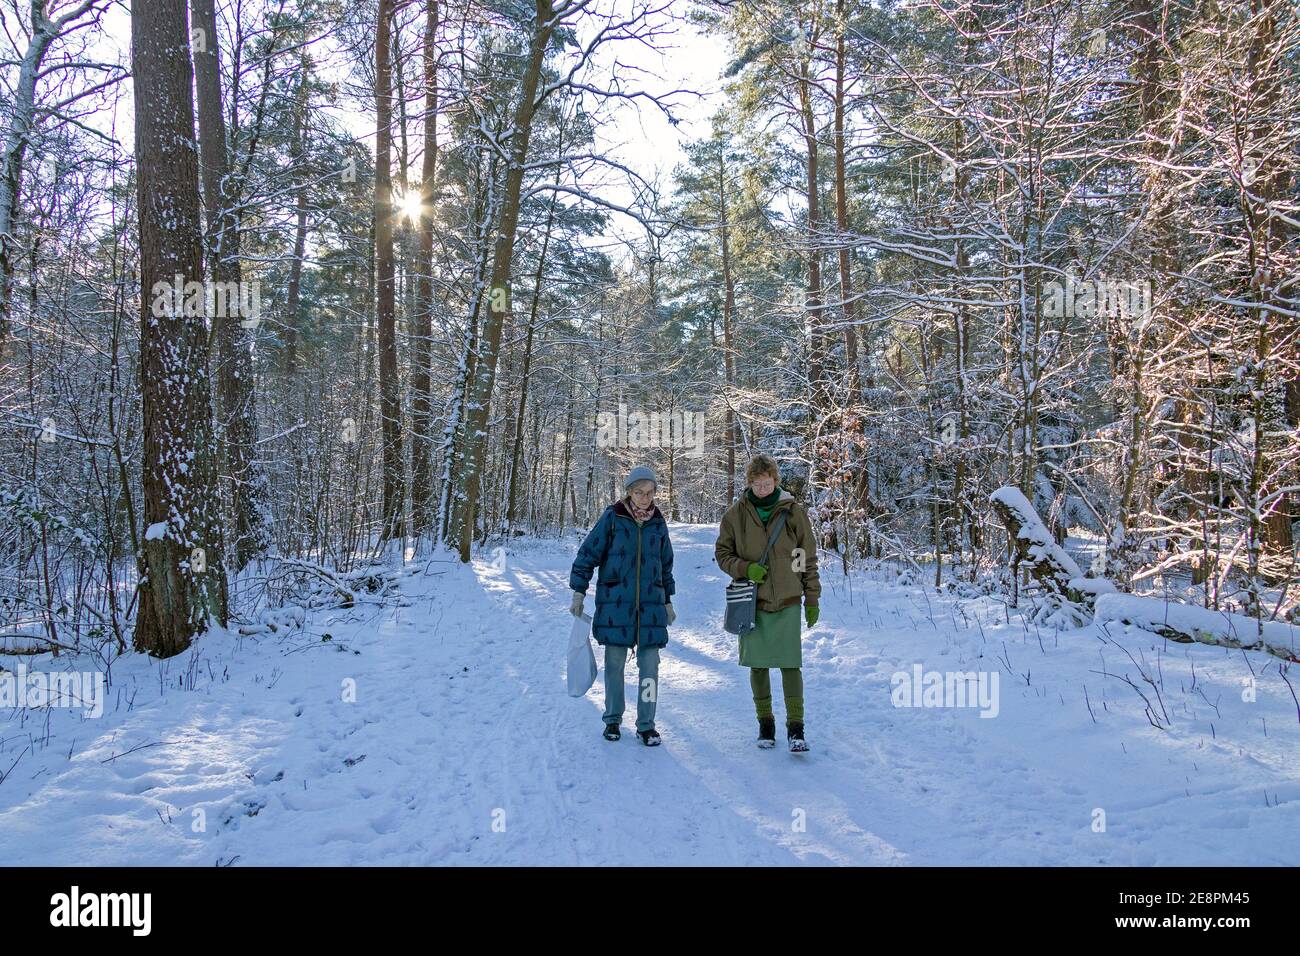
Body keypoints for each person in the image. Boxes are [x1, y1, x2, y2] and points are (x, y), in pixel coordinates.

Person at [714, 454, 820, 752]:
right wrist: (746, 569)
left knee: (790, 665)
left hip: (787, 600)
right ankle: (766, 724)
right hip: (753, 602)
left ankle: (796, 728)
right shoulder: (735, 515)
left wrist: (811, 597)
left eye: (768, 482)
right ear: (750, 483)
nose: (763, 488)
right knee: (758, 666)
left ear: (776, 481)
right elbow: (723, 554)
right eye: (757, 484)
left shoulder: (792, 512)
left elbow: (806, 557)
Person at [569, 466, 676, 746]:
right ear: (629, 492)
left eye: (649, 492)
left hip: (651, 608)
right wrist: (578, 592)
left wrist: (668, 601)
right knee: (614, 665)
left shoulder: (658, 523)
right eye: (639, 492)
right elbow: (587, 554)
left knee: (650, 668)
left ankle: (646, 725)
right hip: (616, 605)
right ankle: (613, 719)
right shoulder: (613, 518)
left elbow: (666, 566)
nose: (644, 497)